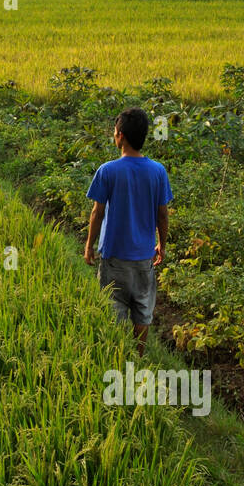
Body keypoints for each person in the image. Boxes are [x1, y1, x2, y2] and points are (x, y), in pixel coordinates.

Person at [83, 108, 172, 352]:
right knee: (142, 309)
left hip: (113, 257)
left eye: (114, 131)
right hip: (144, 257)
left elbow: (97, 213)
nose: (113, 135)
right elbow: (162, 215)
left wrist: (89, 245)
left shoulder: (108, 170)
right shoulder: (158, 171)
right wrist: (161, 245)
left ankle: (117, 356)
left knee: (114, 308)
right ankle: (138, 357)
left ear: (120, 136)